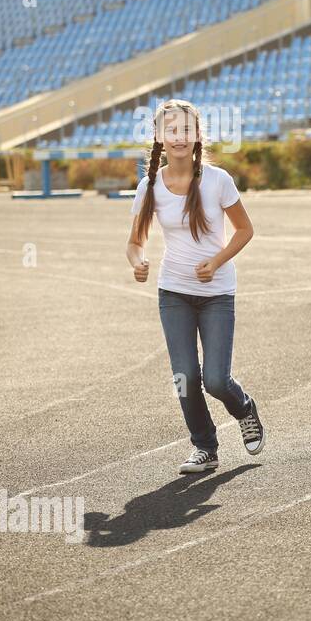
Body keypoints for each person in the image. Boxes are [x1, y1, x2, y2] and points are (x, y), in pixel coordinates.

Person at [126, 99, 265, 473]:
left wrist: (217, 261)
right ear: (158, 137)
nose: (179, 136)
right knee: (185, 377)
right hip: (173, 293)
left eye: (186, 129)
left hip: (217, 293)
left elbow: (245, 230)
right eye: (171, 130)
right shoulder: (150, 187)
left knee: (216, 380)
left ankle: (245, 409)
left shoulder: (218, 181)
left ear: (198, 135)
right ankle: (205, 447)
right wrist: (138, 262)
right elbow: (135, 241)